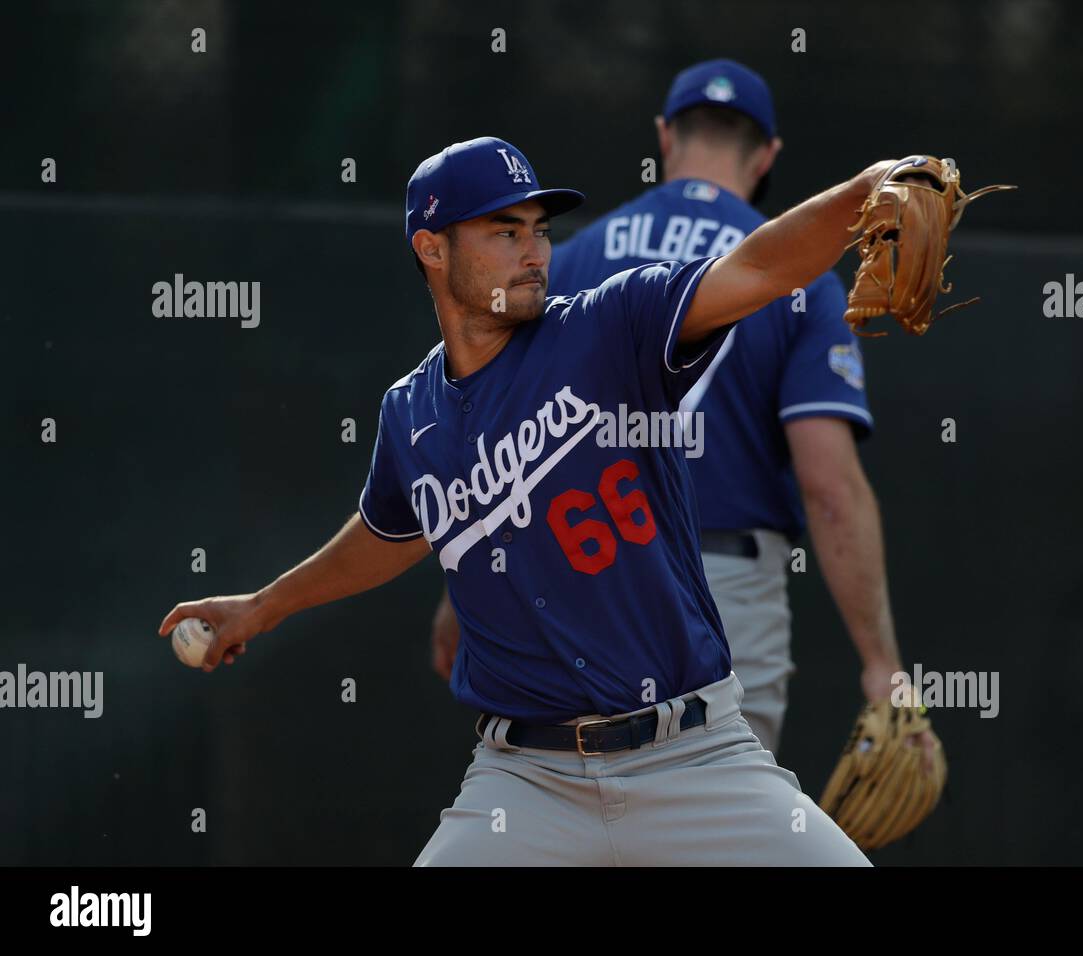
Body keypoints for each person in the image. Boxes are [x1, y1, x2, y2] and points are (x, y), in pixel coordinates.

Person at [159, 134, 900, 866]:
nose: (534, 251)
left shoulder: (613, 327)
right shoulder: (410, 414)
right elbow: (388, 534)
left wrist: (866, 189)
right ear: (432, 248)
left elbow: (760, 266)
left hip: (694, 762)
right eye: (504, 231)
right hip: (527, 784)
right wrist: (264, 605)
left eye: (540, 230)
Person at [431, 60, 924, 759]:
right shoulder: (799, 276)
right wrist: (884, 667)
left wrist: (465, 598)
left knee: (572, 823)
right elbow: (830, 487)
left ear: (665, 136)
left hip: (572, 576)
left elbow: (494, 449)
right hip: (722, 597)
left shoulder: (564, 263)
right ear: (768, 155)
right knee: (721, 835)